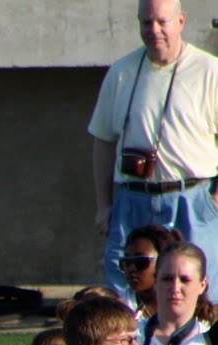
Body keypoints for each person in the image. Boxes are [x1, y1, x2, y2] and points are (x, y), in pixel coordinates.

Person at [90, 0, 218, 296]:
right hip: (133, 199)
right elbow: (103, 140)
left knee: (197, 291)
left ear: (181, 21)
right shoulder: (121, 72)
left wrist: (214, 199)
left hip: (192, 199)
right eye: (146, 23)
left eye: (162, 22)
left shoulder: (209, 70)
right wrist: (103, 204)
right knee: (124, 289)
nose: (154, 30)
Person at [118, 223, 185, 318]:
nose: (131, 269)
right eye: (126, 262)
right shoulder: (116, 306)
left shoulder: (187, 303)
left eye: (141, 261)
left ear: (165, 261)